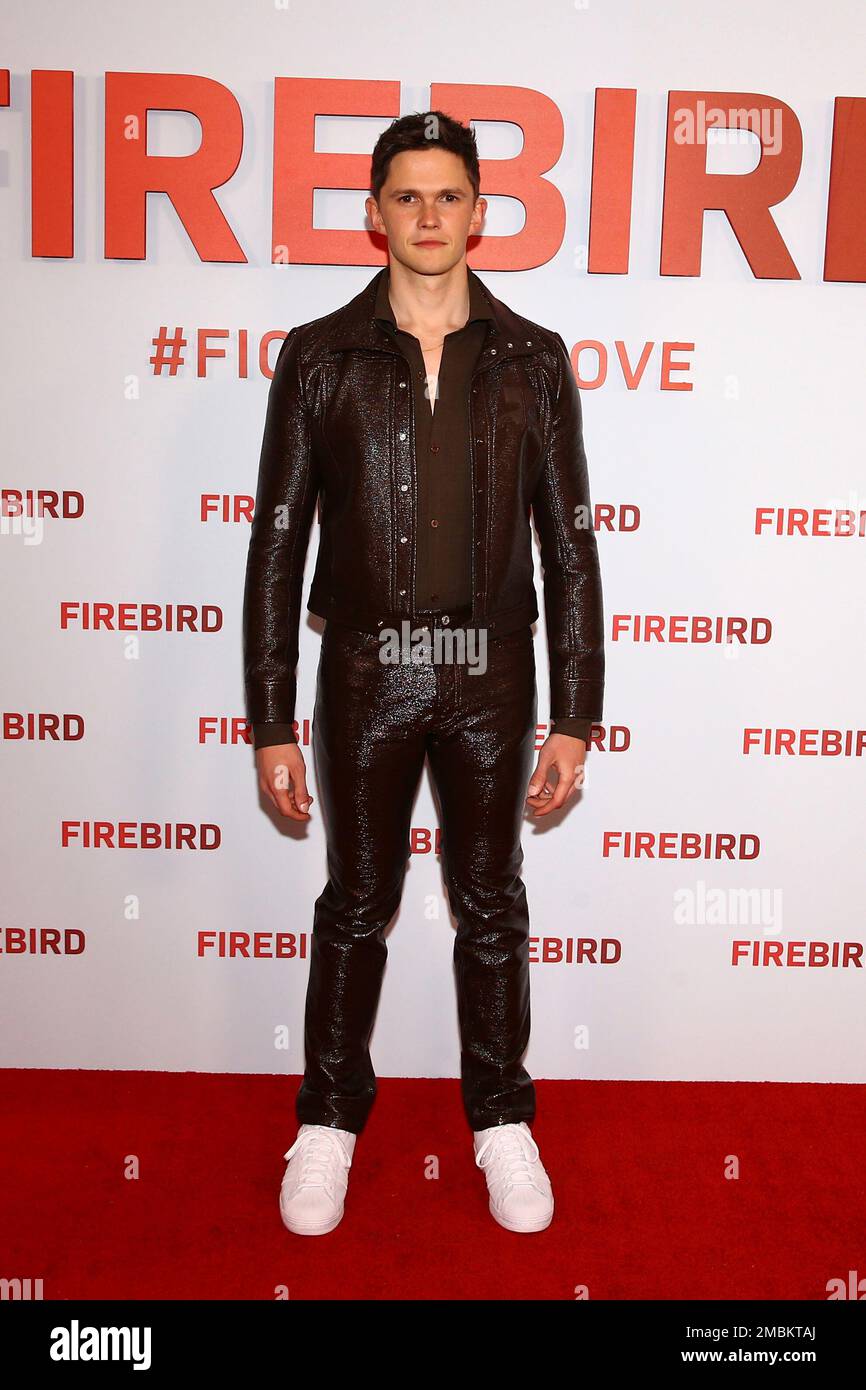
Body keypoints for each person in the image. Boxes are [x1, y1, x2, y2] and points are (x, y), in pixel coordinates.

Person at [242, 111, 605, 1236]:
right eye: (408, 196)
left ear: (480, 213)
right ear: (374, 215)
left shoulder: (535, 358)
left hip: (494, 674)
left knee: (490, 903)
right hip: (365, 668)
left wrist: (574, 711)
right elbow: (275, 544)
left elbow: (569, 546)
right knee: (355, 903)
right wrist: (270, 720)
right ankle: (328, 1123)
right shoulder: (319, 354)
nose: (429, 216)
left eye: (448, 196)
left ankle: (500, 1119)